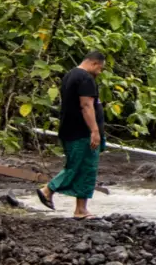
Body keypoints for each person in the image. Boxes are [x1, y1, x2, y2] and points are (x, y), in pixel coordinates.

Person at [35, 51, 108, 219]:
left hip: (70, 129)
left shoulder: (70, 75)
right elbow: (86, 105)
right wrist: (94, 131)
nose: (100, 72)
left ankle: (80, 210)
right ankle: (48, 190)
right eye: (100, 68)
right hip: (82, 132)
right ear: (94, 63)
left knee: (85, 169)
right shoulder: (86, 78)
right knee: (78, 167)